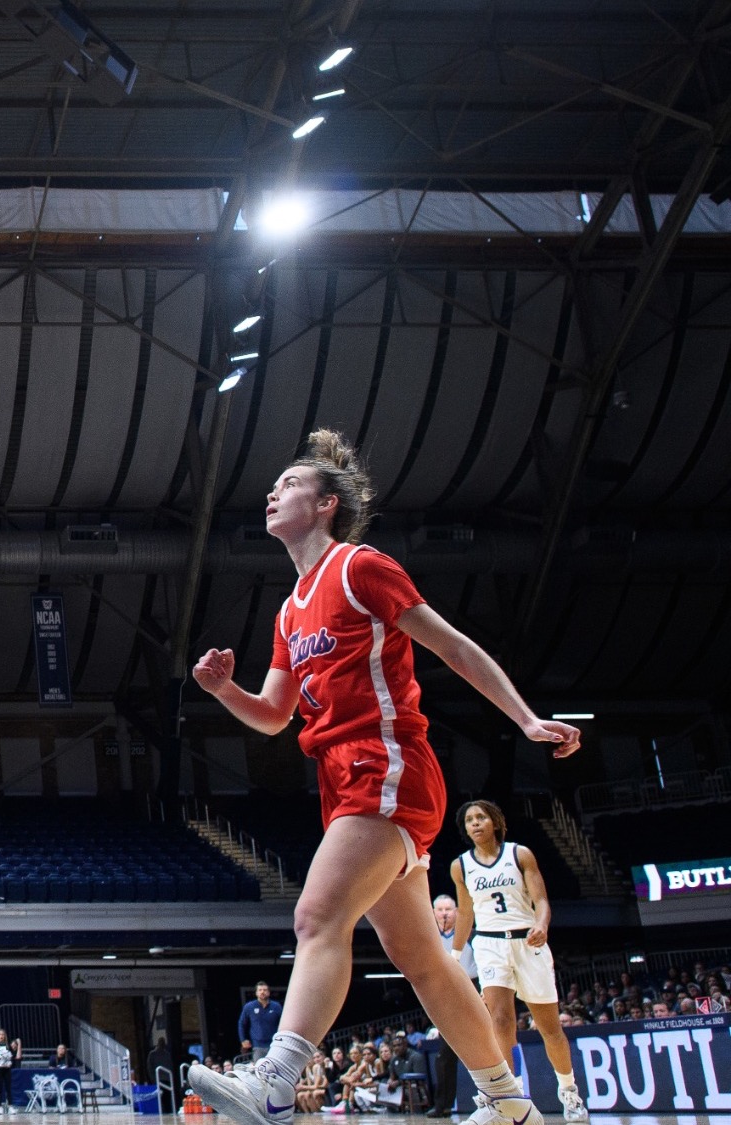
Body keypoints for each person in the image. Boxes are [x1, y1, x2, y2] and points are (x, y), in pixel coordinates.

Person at [187, 429, 577, 1125]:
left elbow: (452, 646)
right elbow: (276, 715)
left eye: (289, 483)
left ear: (326, 503)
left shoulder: (360, 566)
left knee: (316, 915)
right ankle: (510, 1102)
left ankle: (277, 1081)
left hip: (387, 763)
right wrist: (225, 691)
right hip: (343, 781)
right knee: (419, 955)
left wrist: (525, 718)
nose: (272, 492)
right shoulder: (289, 608)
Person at [451, 800, 585, 1122]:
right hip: (489, 944)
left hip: (527, 940)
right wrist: (455, 956)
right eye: (470, 820)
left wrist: (541, 924)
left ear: (495, 821)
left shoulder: (519, 854)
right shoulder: (461, 866)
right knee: (499, 1021)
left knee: (549, 1027)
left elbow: (540, 900)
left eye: (481, 817)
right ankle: (512, 1097)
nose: (476, 823)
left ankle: (569, 1092)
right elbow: (466, 912)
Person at [426, 896, 478, 1118]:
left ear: (457, 912)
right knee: (445, 1055)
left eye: (449, 909)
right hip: (442, 993)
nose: (445, 913)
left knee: (482, 1050)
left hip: (472, 989)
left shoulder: (471, 935)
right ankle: (443, 1105)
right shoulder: (428, 937)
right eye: (440, 909)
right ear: (433, 912)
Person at [238, 983, 282, 1058]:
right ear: (256, 993)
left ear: (269, 992)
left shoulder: (276, 1006)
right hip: (258, 1045)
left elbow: (283, 1023)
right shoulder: (249, 1006)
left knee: (276, 1068)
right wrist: (243, 1039)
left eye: (265, 990)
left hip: (274, 1045)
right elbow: (242, 1024)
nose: (262, 992)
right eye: (260, 990)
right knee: (259, 1068)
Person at [0, 1031, 16, 1110]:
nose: (1, 1036)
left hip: (7, 1069)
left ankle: (10, 1105)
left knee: (8, 1087)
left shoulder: (8, 1046)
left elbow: (13, 1055)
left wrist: (9, 1058)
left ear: (5, 1036)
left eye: (2, 1034)